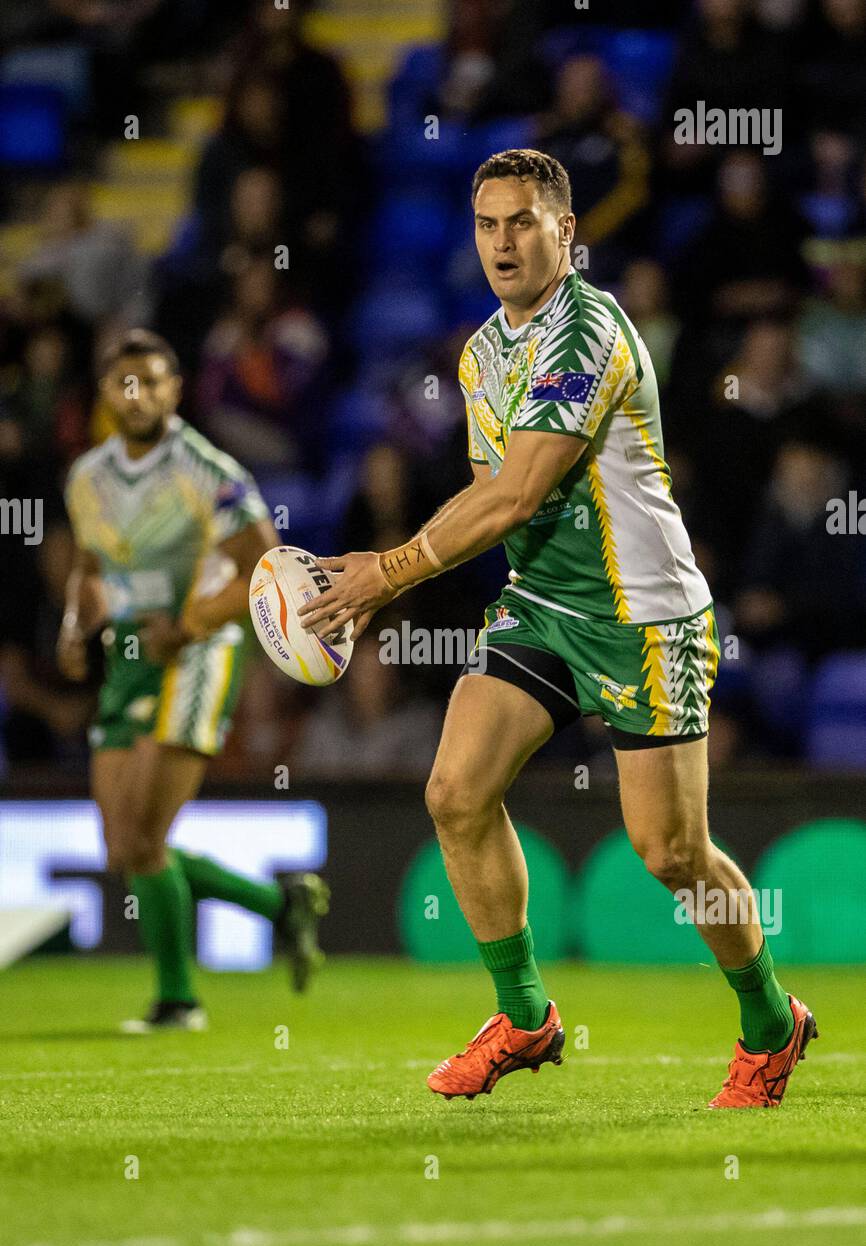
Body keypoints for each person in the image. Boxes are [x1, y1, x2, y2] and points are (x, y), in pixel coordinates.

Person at [299, 149, 818, 1109]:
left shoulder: (588, 333)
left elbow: (519, 491)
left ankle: (771, 1023)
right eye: (487, 224)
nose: (502, 242)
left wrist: (390, 570)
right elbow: (495, 497)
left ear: (566, 233)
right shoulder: (482, 351)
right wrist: (404, 563)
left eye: (523, 223)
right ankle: (526, 1016)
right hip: (543, 603)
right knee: (455, 790)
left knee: (669, 852)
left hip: (643, 616)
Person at [57, 329, 327, 1030]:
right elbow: (91, 566)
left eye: (152, 381)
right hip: (127, 656)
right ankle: (281, 903)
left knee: (145, 838)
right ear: (105, 393)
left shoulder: (208, 470)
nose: (137, 394)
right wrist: (71, 625)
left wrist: (188, 625)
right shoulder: (85, 476)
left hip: (196, 654)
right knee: (125, 847)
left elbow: (266, 574)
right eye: (124, 382)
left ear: (176, 390)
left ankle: (178, 1000)